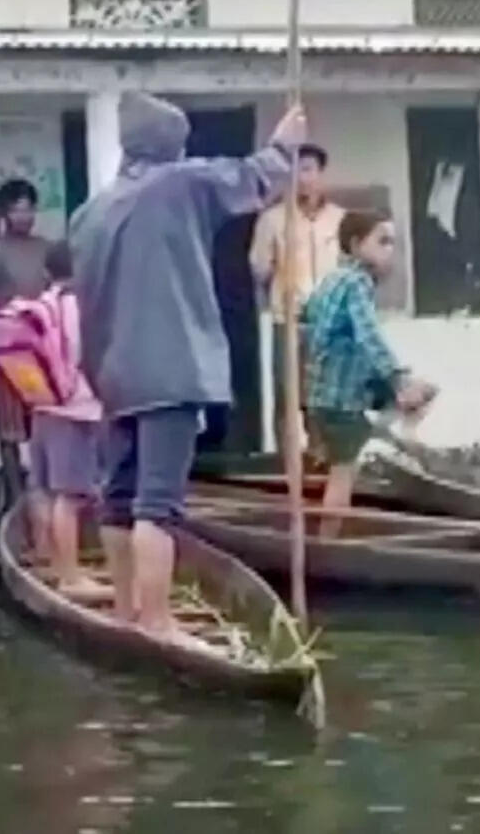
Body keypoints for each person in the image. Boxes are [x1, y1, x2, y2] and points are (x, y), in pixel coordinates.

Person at [71, 92, 304, 646]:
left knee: (119, 498)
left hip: (113, 373)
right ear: (170, 147)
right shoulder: (176, 185)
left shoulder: (90, 213)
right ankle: (158, 623)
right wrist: (284, 146)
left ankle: (126, 611)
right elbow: (250, 178)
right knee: (158, 504)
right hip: (170, 369)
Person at [301, 211, 436, 539]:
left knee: (424, 392)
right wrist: (399, 379)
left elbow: (308, 320)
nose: (390, 251)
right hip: (341, 398)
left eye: (392, 243)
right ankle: (327, 543)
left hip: (326, 393)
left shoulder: (333, 279)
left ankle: (388, 440)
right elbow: (369, 335)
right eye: (382, 241)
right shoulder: (356, 282)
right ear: (355, 244)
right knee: (342, 476)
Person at [248, 144, 346, 450]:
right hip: (288, 321)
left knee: (325, 397)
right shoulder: (273, 219)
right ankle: (286, 462)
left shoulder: (340, 219)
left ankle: (321, 458)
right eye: (293, 171)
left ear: (320, 174)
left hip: (330, 322)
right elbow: (259, 269)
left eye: (307, 170)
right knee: (287, 396)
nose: (301, 178)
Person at [24, 244, 106, 599]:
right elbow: (86, 356)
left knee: (44, 491)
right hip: (75, 408)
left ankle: (53, 563)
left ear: (47, 272)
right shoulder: (79, 307)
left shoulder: (40, 304)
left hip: (42, 406)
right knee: (70, 497)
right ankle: (71, 577)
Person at [0, 179, 52, 508]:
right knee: (9, 427)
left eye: (29, 209)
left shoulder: (45, 250)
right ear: (4, 213)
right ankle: (15, 497)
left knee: (45, 421)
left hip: (44, 348)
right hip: (8, 351)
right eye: (17, 210)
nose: (24, 216)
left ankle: (44, 489)